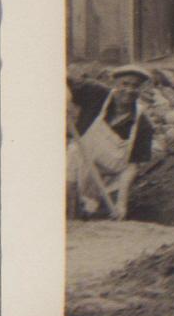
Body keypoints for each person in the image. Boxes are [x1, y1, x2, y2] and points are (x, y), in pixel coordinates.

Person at [66, 66, 156, 220]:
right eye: (125, 84)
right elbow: (65, 81)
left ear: (140, 89)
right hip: (77, 165)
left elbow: (131, 167)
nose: (129, 90)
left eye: (135, 86)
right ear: (114, 83)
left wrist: (121, 203)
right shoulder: (95, 94)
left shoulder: (143, 125)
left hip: (107, 182)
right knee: (66, 204)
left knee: (102, 219)